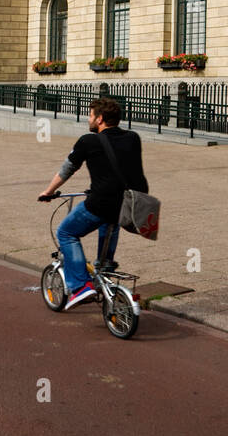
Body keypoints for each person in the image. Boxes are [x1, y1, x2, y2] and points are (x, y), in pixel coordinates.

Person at [38, 97, 148, 310]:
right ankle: (104, 266)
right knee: (110, 221)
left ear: (99, 119)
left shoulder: (88, 141)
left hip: (102, 202)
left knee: (66, 233)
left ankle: (80, 286)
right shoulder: (133, 138)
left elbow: (67, 169)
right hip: (131, 205)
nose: (88, 119)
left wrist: (48, 192)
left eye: (90, 115)